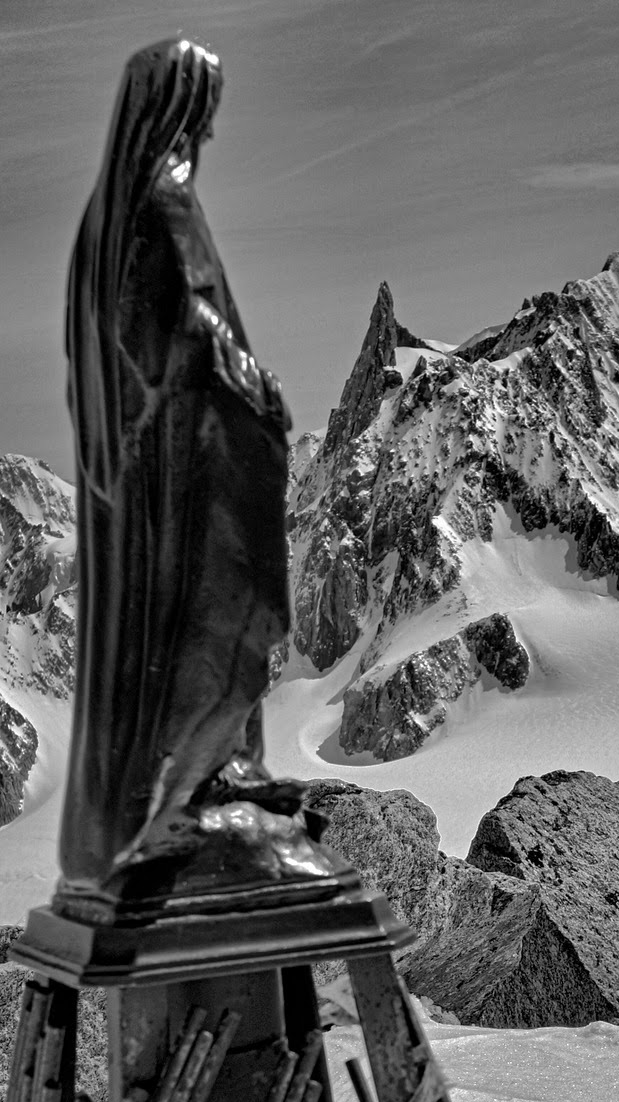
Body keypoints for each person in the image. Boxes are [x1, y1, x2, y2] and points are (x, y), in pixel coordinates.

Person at [58, 39, 350, 921]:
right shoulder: (162, 200)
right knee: (223, 617)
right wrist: (249, 381)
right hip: (197, 473)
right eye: (203, 108)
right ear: (176, 109)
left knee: (186, 630)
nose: (210, 129)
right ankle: (191, 792)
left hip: (161, 477)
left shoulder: (110, 218)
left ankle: (210, 776)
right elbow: (184, 329)